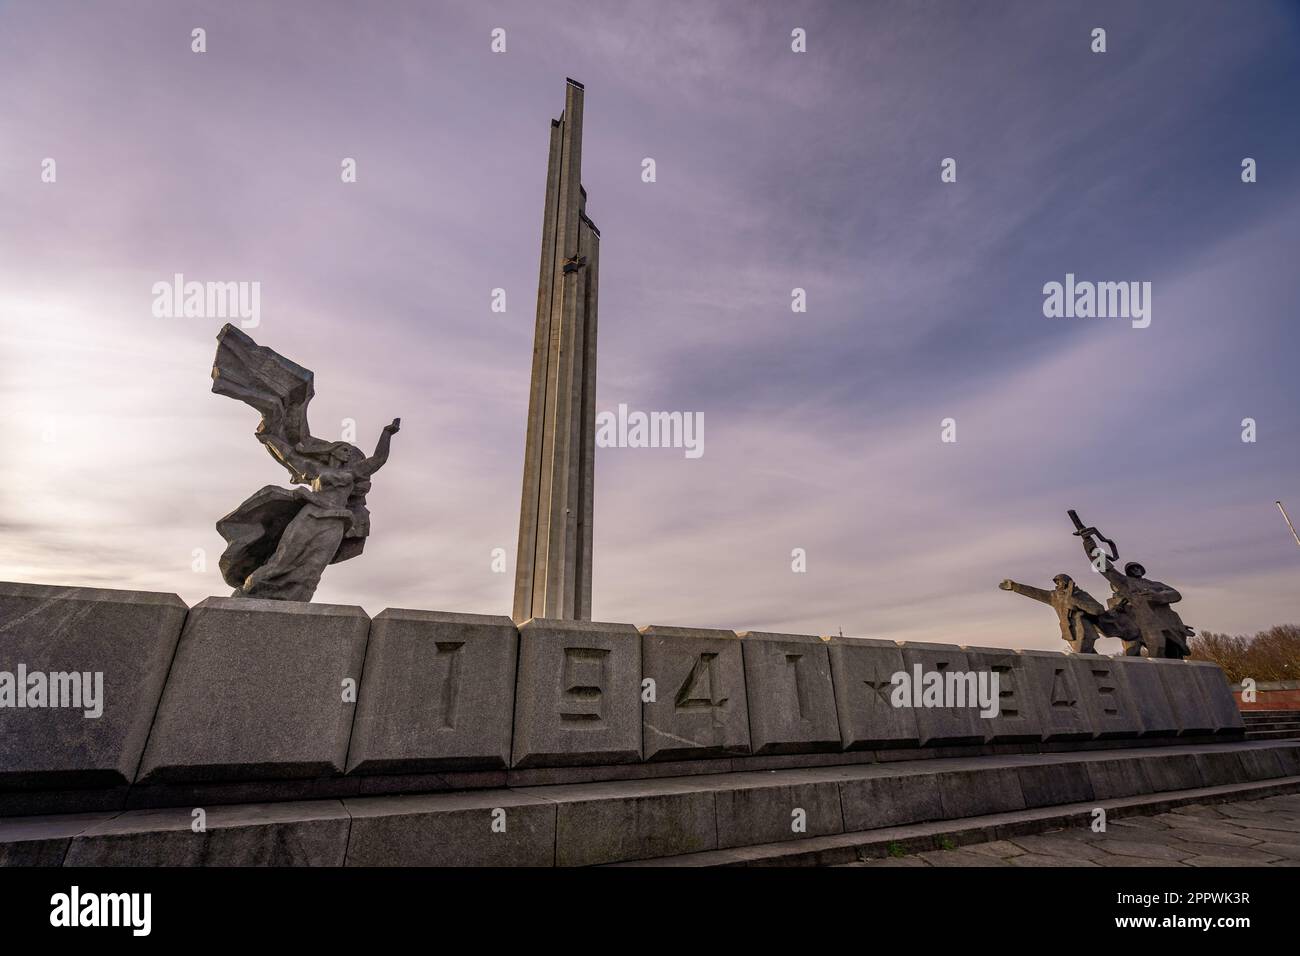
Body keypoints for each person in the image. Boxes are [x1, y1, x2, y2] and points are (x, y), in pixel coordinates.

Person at [999, 574, 1107, 653]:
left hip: (1085, 631)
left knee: (1081, 657)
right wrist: (1015, 587)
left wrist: (1075, 601)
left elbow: (1099, 610)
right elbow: (1036, 593)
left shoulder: (1080, 594)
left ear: (1068, 582)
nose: (1058, 584)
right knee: (1088, 657)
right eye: (1057, 582)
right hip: (1069, 632)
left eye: (1060, 582)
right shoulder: (1055, 597)